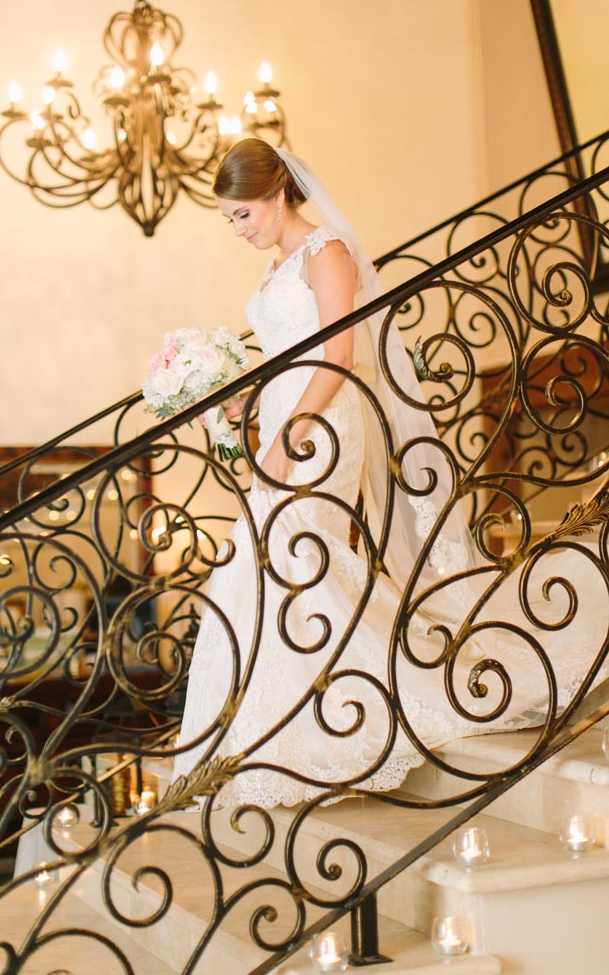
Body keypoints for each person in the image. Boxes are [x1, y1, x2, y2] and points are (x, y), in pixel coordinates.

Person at [171, 140, 607, 809]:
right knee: (276, 560)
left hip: (323, 425)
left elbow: (339, 355)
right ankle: (279, 733)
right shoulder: (277, 266)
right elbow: (289, 356)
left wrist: (292, 432)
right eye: (229, 218)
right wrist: (248, 400)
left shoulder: (327, 253)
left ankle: (352, 714)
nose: (238, 229)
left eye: (243, 214)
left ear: (278, 195)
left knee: (290, 551)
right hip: (287, 420)